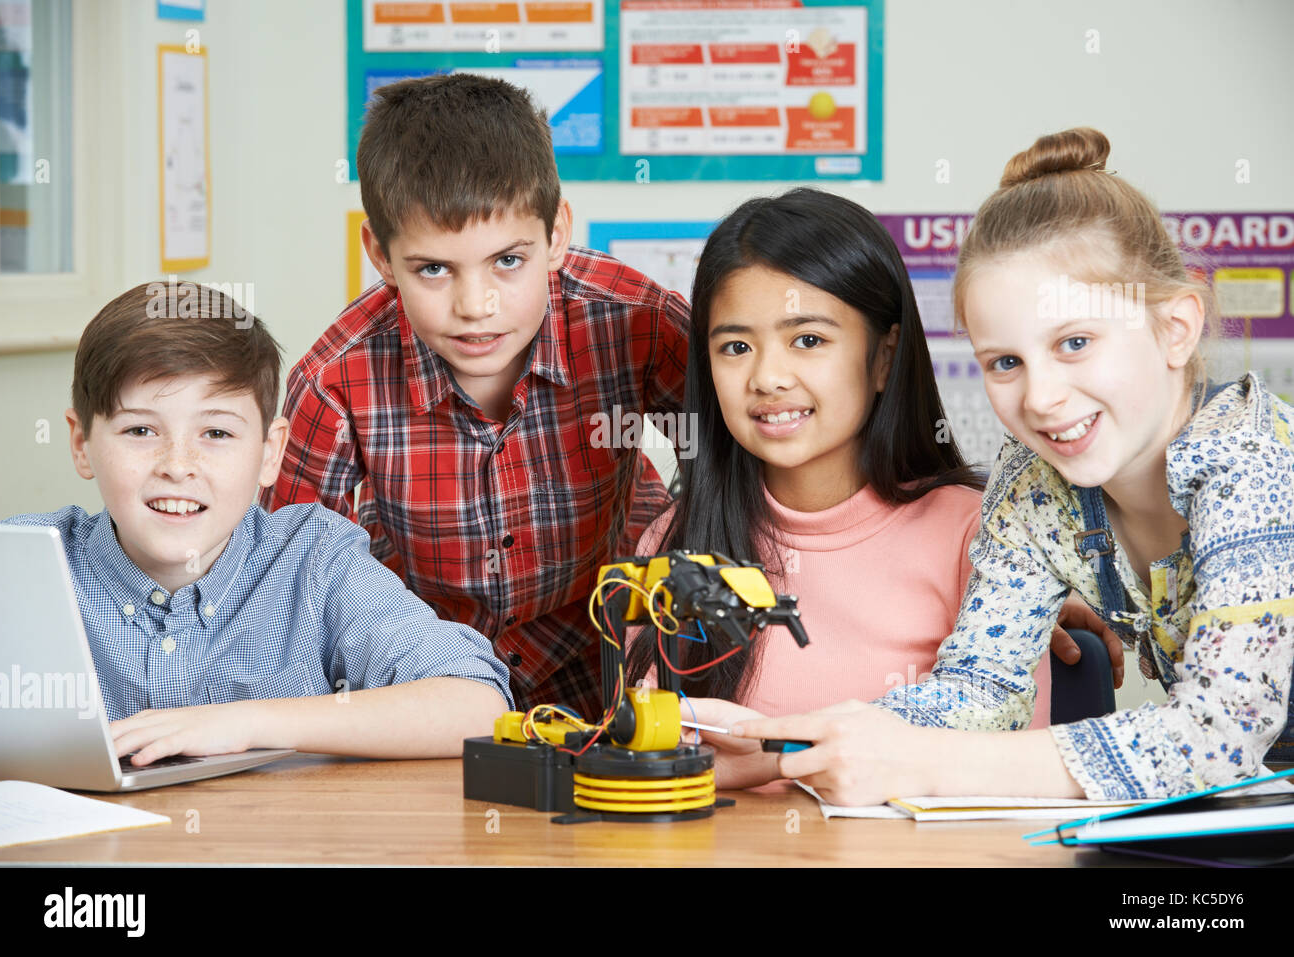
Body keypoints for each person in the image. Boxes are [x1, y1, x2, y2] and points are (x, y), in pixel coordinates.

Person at [728, 129, 1294, 804]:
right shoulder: (1036, 486)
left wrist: (927, 762)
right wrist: (784, 744)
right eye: (1005, 362)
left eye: (1075, 342)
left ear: (1175, 328)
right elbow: (981, 689)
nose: (1040, 396)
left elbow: (1218, 739)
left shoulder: (1253, 462)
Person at [625, 188, 1115, 789]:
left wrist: (777, 761)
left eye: (808, 339)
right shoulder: (672, 543)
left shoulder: (985, 540)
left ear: (883, 358)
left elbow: (998, 779)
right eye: (736, 346)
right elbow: (650, 767)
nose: (768, 377)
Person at [260, 74, 688, 722]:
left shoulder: (636, 320)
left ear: (556, 234)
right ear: (380, 254)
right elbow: (286, 587)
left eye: (507, 262)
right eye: (434, 269)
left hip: (607, 674)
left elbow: (748, 460)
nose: (475, 306)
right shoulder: (334, 383)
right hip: (429, 690)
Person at [0, 282, 512, 766]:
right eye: (140, 430)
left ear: (270, 454)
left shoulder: (314, 560)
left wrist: (245, 722)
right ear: (81, 443)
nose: (178, 465)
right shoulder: (25, 564)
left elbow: (476, 705)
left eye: (216, 432)